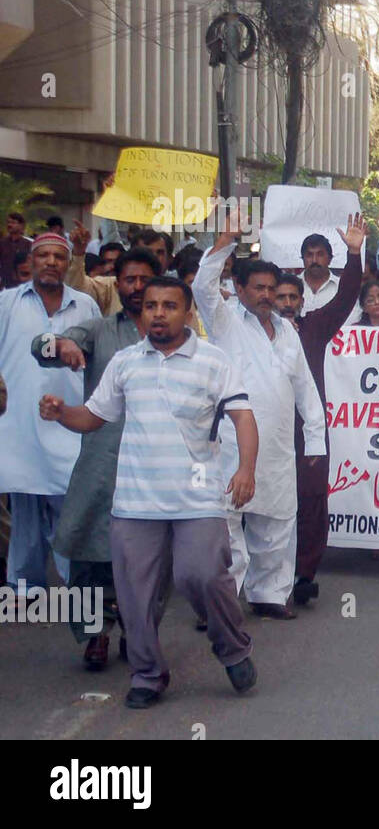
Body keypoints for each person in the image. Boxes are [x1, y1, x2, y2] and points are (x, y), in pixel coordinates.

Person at [39, 277, 258, 709]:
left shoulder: (214, 362)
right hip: (136, 503)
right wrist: (62, 413)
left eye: (169, 305)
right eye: (152, 306)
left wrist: (246, 469)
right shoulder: (125, 363)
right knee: (134, 595)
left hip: (197, 498)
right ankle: (147, 675)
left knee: (202, 576)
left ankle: (231, 647)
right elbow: (93, 418)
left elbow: (244, 417)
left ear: (188, 312)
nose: (159, 313)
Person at [31, 248, 161, 669]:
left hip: (158, 465)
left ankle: (136, 631)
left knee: (150, 556)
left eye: (145, 280)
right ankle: (95, 636)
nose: (137, 287)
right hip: (103, 463)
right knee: (87, 548)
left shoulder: (174, 334)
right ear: (118, 286)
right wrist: (61, 343)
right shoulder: (101, 330)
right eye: (129, 280)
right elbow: (43, 344)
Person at [195, 220, 327, 619]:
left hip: (278, 445)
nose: (268, 295)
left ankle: (269, 594)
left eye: (272, 288)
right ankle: (220, 604)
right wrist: (225, 242)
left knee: (278, 521)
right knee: (228, 526)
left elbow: (305, 386)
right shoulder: (226, 322)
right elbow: (202, 288)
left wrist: (316, 438)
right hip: (232, 443)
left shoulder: (287, 330)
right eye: (259, 288)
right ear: (240, 290)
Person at [0, 233, 100, 596]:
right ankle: (25, 586)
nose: (51, 262)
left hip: (69, 421)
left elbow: (96, 358)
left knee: (69, 505)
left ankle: (77, 584)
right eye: (43, 255)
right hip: (20, 425)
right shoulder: (7, 303)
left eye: (59, 256)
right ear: (32, 259)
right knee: (25, 508)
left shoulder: (85, 306)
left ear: (68, 262)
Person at [280, 215, 366, 605]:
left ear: (301, 302)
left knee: (312, 498)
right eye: (278, 298)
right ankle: (265, 575)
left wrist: (352, 253)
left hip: (308, 430)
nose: (284, 305)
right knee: (266, 503)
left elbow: (348, 295)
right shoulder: (247, 333)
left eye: (291, 299)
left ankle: (303, 574)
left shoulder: (314, 326)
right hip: (261, 429)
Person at [298, 233, 362, 324]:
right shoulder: (290, 288)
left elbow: (352, 321)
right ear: (303, 259)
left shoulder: (343, 288)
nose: (314, 260)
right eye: (309, 255)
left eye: (320, 255)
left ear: (330, 258)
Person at [1, 212, 32, 289]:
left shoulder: (29, 244)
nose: (9, 225)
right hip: (5, 286)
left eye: (13, 223)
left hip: (24, 286)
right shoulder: (2, 243)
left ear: (21, 226)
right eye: (8, 222)